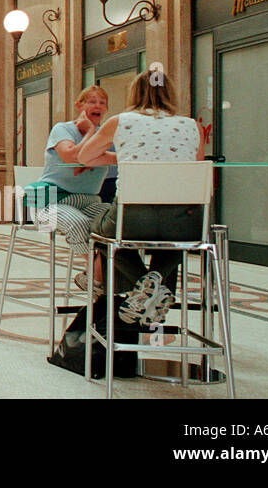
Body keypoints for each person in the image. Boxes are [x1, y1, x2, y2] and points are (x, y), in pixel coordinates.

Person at [76, 71, 204, 328]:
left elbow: (83, 157)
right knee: (171, 240)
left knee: (99, 229)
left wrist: (118, 155)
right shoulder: (193, 125)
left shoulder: (120, 122)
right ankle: (157, 289)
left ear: (133, 94)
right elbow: (197, 168)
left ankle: (144, 283)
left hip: (133, 218)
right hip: (184, 224)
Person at [34, 86, 112, 290]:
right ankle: (97, 277)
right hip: (52, 201)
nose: (97, 106)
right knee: (78, 224)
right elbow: (71, 157)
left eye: (102, 103)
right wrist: (91, 134)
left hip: (89, 201)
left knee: (118, 222)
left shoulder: (108, 136)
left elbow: (114, 158)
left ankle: (98, 278)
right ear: (80, 105)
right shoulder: (63, 129)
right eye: (92, 101)